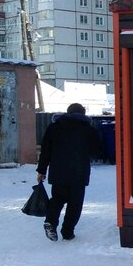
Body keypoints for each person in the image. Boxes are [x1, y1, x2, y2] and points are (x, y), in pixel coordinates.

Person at [36, 103, 102, 242]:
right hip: (79, 173)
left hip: (58, 172)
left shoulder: (54, 127)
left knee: (57, 199)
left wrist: (41, 170)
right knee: (75, 204)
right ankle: (67, 231)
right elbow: (97, 151)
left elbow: (45, 151)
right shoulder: (88, 129)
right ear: (83, 114)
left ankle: (50, 222)